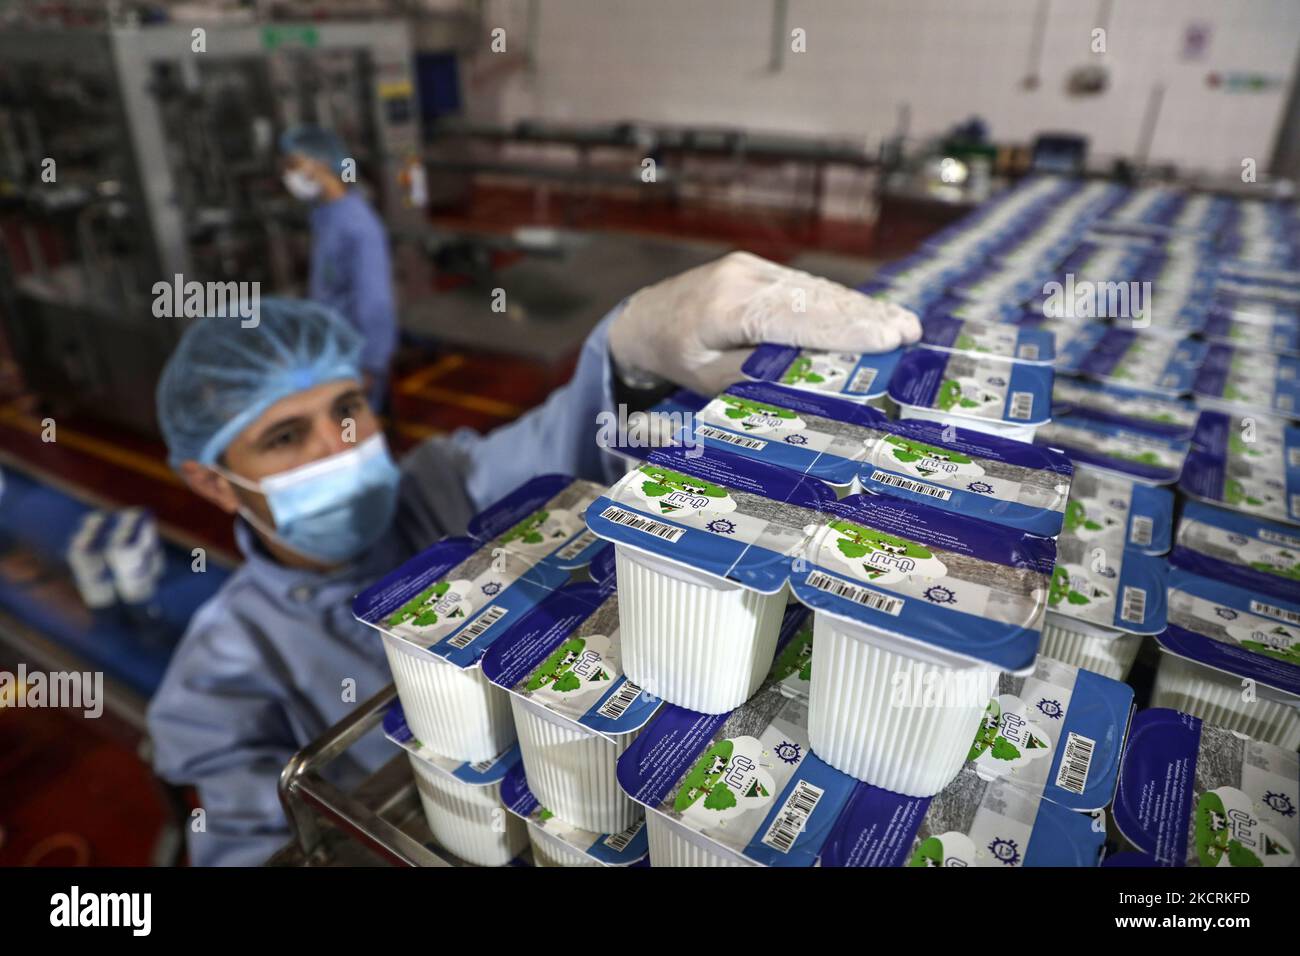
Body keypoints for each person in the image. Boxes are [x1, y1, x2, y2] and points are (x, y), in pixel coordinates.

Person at [146, 251, 920, 865]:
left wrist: (632, 347)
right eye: (286, 438)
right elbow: (259, 850)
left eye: (346, 410)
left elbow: (559, 443)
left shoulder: (438, 484)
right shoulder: (222, 674)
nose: (338, 449)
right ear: (212, 481)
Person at [280, 125, 397, 409]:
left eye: (295, 165)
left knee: (352, 437)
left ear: (320, 163)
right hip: (332, 353)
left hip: (354, 359)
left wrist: (370, 365)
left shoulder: (357, 225)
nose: (288, 175)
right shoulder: (326, 217)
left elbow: (375, 301)